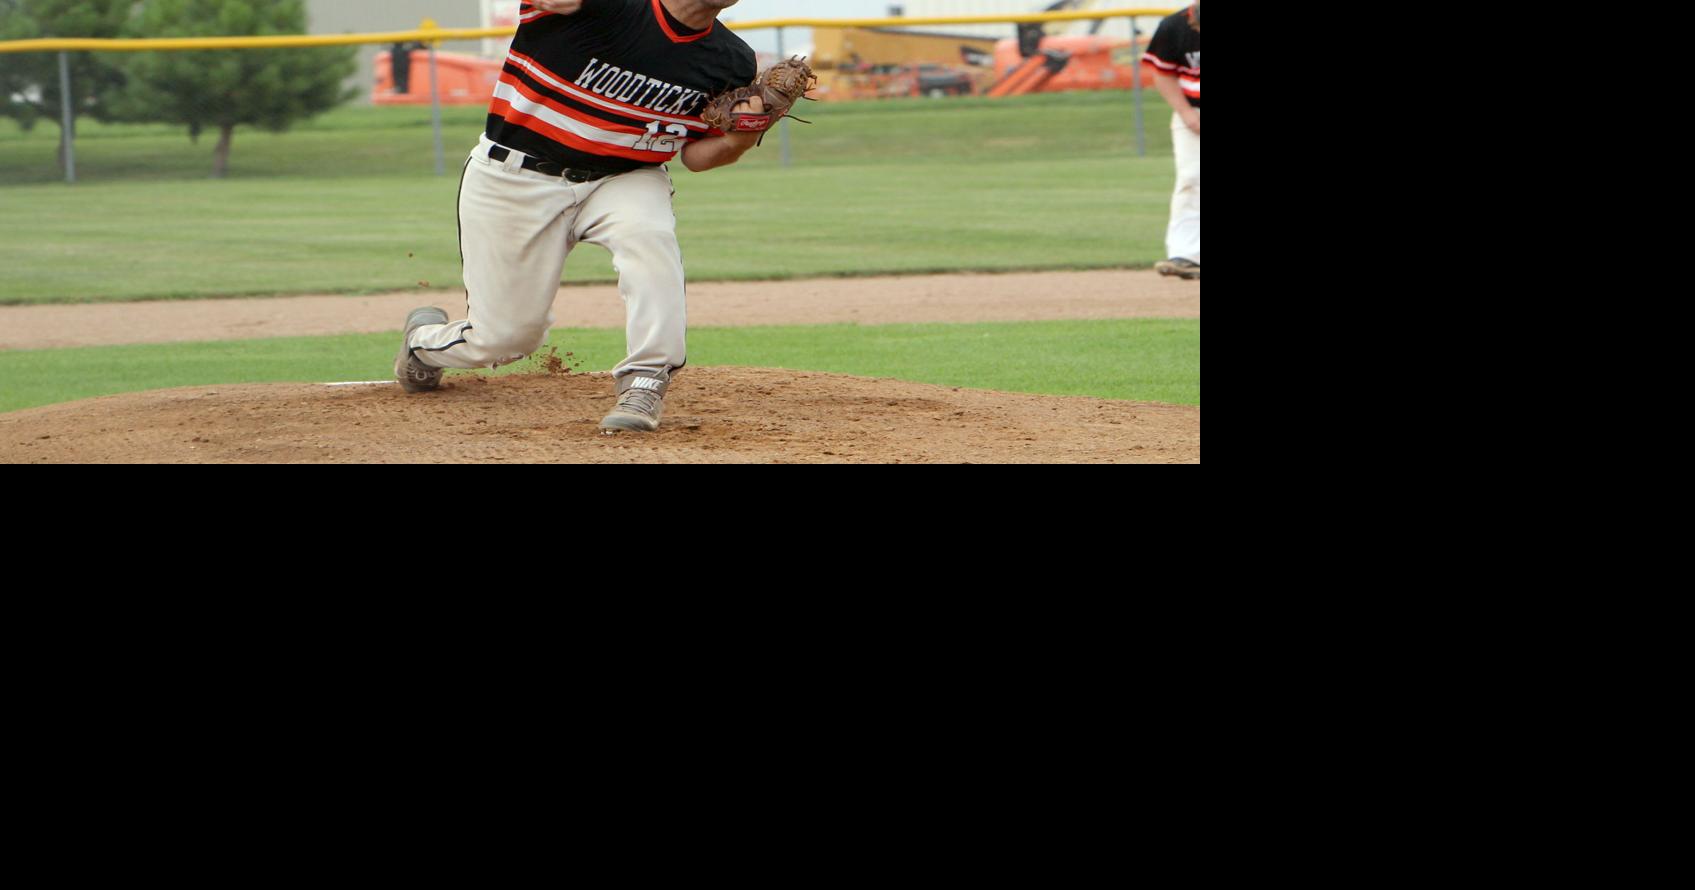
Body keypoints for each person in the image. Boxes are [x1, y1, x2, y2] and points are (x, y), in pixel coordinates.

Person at [394, 0, 762, 432]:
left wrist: (739, 139)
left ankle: (646, 378)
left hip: (626, 176)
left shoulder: (733, 61)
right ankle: (423, 344)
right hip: (516, 176)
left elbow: (697, 157)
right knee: (504, 338)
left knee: (649, 236)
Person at [1143, 2, 1200, 281]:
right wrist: (1187, 113)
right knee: (1191, 177)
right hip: (1192, 111)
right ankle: (1186, 255)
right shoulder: (1173, 26)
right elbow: (1163, 73)